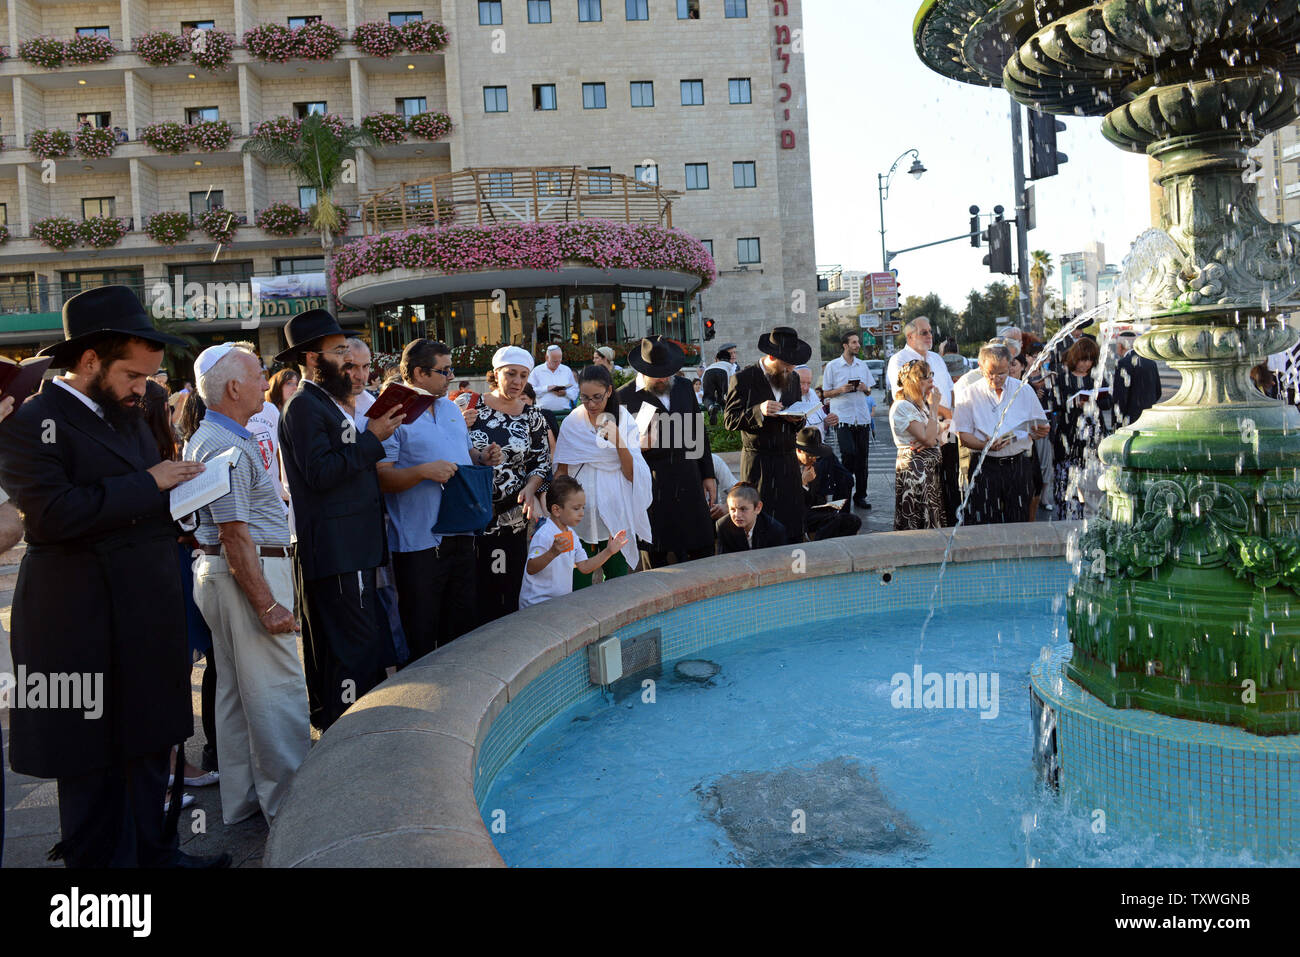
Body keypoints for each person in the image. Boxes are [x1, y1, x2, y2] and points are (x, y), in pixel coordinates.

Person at [0, 284, 229, 868]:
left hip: (144, 607)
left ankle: (157, 852)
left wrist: (186, 493)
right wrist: (153, 483)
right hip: (77, 618)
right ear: (90, 360)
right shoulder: (35, 422)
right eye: (132, 376)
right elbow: (50, 516)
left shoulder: (127, 412)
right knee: (91, 754)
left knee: (151, 738)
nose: (143, 390)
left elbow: (138, 492)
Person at [185, 344, 309, 825]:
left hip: (225, 572)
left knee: (236, 694)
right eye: (259, 375)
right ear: (234, 387)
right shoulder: (227, 444)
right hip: (248, 571)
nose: (266, 382)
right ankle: (294, 808)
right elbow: (234, 534)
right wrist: (268, 604)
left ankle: (243, 802)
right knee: (276, 691)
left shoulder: (211, 436)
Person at [276, 310, 404, 730]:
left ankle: (354, 728)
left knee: (360, 643)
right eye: (338, 352)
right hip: (336, 548)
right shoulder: (303, 407)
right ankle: (348, 735)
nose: (348, 358)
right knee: (348, 648)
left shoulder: (325, 403)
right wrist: (373, 440)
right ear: (314, 360)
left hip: (352, 545)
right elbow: (321, 473)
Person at [377, 339, 501, 660]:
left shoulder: (450, 407)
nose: (450, 377)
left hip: (460, 533)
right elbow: (381, 477)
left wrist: (482, 457)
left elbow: (464, 453)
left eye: (450, 369)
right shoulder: (391, 412)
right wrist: (423, 472)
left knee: (460, 630)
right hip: (418, 543)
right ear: (419, 373)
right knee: (421, 633)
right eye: (443, 371)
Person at [618, 336, 717, 567]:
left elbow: (697, 433)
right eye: (658, 373)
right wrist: (638, 444)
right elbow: (614, 449)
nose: (664, 377)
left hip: (689, 478)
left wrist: (708, 474)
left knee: (702, 548)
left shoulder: (683, 387)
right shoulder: (624, 396)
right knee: (658, 554)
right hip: (653, 484)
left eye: (668, 372)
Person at [470, 347, 551, 625]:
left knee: (507, 583)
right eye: (510, 374)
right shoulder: (467, 407)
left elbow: (541, 463)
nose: (517, 382)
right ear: (495, 374)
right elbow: (450, 450)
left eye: (523, 376)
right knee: (473, 587)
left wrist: (531, 488)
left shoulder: (533, 416)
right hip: (470, 514)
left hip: (511, 517)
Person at [554, 364, 652, 587]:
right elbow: (561, 471)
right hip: (578, 517)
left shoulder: (624, 421)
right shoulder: (572, 423)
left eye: (597, 397)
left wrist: (618, 440)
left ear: (609, 391)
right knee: (577, 584)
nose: (591, 405)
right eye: (585, 398)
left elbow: (631, 474)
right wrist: (559, 514)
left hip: (615, 513)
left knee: (617, 583)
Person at [725, 326, 810, 538]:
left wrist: (797, 419)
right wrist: (758, 411)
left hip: (788, 460)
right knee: (762, 521)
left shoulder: (794, 378)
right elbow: (730, 420)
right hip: (759, 463)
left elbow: (798, 415)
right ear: (771, 356)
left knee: (791, 519)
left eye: (793, 365)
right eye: (786, 365)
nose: (790, 369)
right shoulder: (743, 378)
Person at [953, 343, 1050, 525]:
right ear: (980, 367)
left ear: (1010, 366)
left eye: (1002, 373)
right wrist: (985, 445)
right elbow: (963, 435)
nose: (996, 378)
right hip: (985, 466)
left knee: (1019, 519)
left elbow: (1039, 425)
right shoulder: (969, 394)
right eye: (991, 373)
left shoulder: (1023, 390)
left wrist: (1040, 431)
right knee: (985, 522)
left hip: (1018, 464)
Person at [519, 476, 629, 609]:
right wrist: (553, 552)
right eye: (576, 508)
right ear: (557, 510)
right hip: (536, 606)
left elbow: (584, 567)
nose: (582, 513)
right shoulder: (544, 533)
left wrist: (609, 551)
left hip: (557, 604)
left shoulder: (571, 534)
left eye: (583, 508)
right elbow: (531, 568)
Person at [889, 319, 958, 525]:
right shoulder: (899, 360)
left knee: (950, 485)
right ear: (910, 336)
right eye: (924, 332)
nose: (929, 336)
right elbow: (909, 398)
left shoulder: (936, 357)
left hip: (944, 429)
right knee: (922, 508)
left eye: (930, 332)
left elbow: (950, 391)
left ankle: (951, 527)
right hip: (926, 429)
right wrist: (936, 422)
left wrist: (948, 422)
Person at [1048, 336, 1113, 520]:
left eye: (1090, 360)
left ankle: (1094, 523)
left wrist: (1096, 401)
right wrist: (1072, 404)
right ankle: (1068, 525)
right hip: (1068, 437)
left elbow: (1108, 402)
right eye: (1083, 359)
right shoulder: (1062, 378)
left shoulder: (1096, 378)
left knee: (1094, 490)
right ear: (1074, 358)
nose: (1086, 364)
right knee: (1067, 492)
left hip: (1093, 438)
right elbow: (1053, 404)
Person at [821, 331, 876, 510]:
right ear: (845, 345)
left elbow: (869, 391)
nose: (857, 345)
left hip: (861, 418)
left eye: (858, 342)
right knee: (849, 454)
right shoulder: (832, 366)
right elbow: (824, 393)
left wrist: (863, 388)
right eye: (854, 342)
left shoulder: (862, 365)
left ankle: (860, 496)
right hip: (842, 418)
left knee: (863, 460)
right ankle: (843, 493)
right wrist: (840, 390)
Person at [890, 358, 946, 531]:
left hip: (927, 472)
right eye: (927, 376)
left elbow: (940, 437)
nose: (931, 380)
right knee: (918, 519)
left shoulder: (919, 406)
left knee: (931, 516)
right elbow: (930, 439)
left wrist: (932, 437)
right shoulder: (902, 407)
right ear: (914, 381)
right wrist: (935, 407)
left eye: (931, 375)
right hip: (916, 473)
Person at [795, 427, 861, 540]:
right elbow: (787, 500)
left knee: (853, 521)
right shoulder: (788, 466)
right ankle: (818, 545)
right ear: (799, 451)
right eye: (810, 455)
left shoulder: (814, 466)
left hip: (813, 512)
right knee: (834, 522)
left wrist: (827, 507)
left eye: (816, 456)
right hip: (795, 515)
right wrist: (802, 483)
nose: (814, 459)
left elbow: (816, 498)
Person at [1010, 353, 1047, 522]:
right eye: (1007, 365)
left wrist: (1038, 429)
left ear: (1023, 367)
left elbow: (1039, 419)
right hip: (1009, 448)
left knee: (1035, 484)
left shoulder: (1027, 388)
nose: (1010, 369)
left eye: (1013, 364)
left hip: (1027, 445)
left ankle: (1030, 522)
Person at [715, 482, 788, 553]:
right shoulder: (723, 526)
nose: (737, 515)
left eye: (743, 509)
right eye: (732, 509)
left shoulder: (775, 530)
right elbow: (723, 560)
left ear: (758, 508)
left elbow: (778, 560)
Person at [1112, 331, 1162, 427]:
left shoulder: (1122, 363)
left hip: (1129, 419)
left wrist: (1117, 422)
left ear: (1120, 346)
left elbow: (1120, 396)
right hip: (1148, 418)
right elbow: (1158, 392)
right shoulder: (1151, 362)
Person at [528, 344, 578, 413]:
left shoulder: (567, 370)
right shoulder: (537, 371)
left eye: (559, 360)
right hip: (543, 413)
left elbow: (575, 390)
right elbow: (529, 391)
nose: (557, 363)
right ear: (546, 357)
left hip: (564, 413)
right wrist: (547, 388)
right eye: (554, 361)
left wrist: (565, 393)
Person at [795, 366, 838, 436]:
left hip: (819, 442)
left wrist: (828, 420)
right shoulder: (784, 397)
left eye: (808, 383)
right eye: (801, 383)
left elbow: (822, 419)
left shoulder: (812, 393)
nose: (806, 388)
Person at [701, 343, 738, 422]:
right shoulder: (730, 366)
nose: (734, 355)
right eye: (731, 353)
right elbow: (730, 384)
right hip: (723, 373)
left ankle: (711, 407)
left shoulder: (711, 366)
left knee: (707, 397)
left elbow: (703, 379)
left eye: (735, 352)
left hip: (708, 372)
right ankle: (728, 417)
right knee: (725, 396)